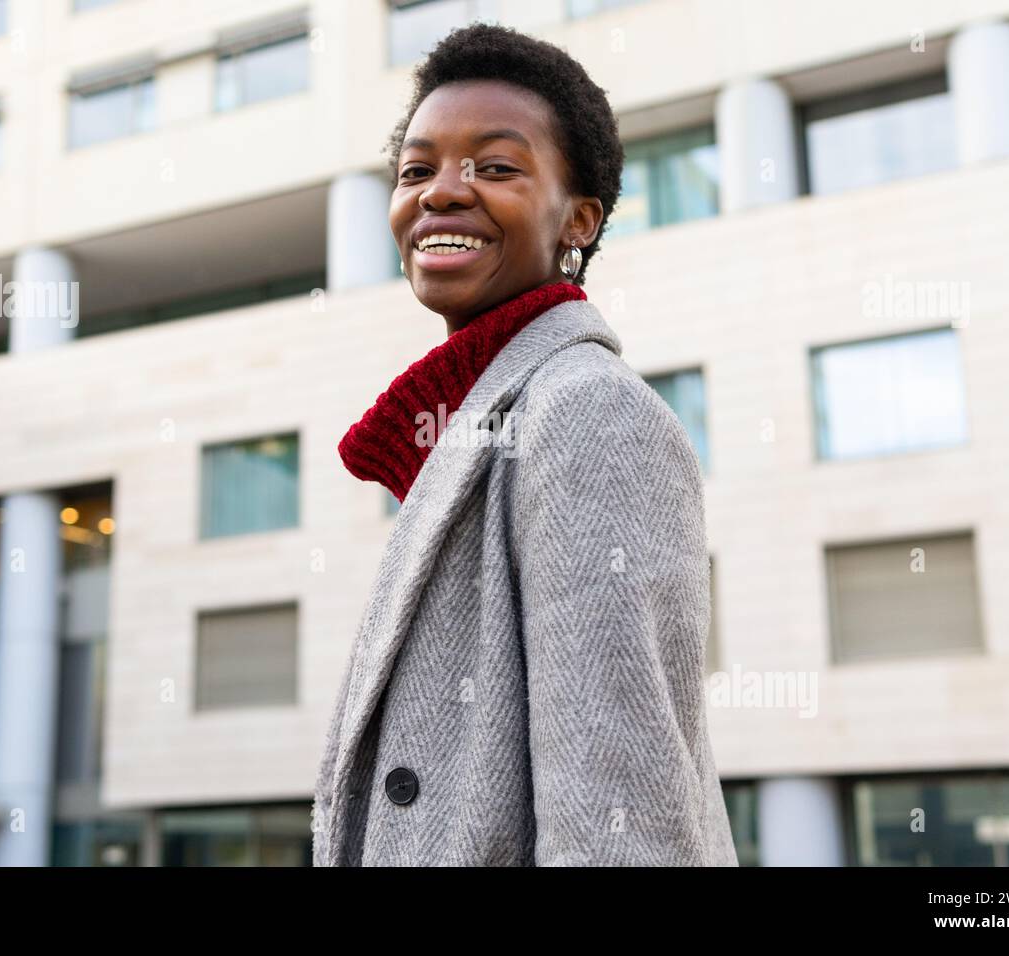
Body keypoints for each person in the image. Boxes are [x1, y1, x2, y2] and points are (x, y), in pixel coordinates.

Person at [312, 22, 737, 867]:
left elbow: (624, 824)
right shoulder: (475, 424)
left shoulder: (589, 415)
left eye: (495, 167)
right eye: (416, 169)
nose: (441, 192)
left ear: (578, 219)